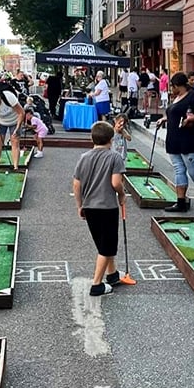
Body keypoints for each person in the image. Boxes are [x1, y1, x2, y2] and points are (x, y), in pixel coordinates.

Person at [72, 120, 127, 297]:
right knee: (106, 246)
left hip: (89, 207)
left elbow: (76, 185)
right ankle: (97, 285)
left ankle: (112, 275)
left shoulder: (84, 157)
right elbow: (116, 182)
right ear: (111, 139)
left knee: (103, 242)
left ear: (92, 138)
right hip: (107, 207)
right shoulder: (114, 157)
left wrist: (80, 205)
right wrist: (122, 194)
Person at [156, 72, 194, 213]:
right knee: (179, 170)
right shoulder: (176, 98)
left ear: (178, 85)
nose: (171, 88)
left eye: (172, 86)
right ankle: (181, 202)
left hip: (189, 140)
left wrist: (191, 119)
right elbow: (174, 113)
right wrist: (164, 119)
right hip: (174, 141)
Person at [0, 82, 25, 170]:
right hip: (0, 122)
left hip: (14, 121)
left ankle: (15, 167)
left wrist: (17, 128)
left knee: (15, 142)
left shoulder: (9, 97)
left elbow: (21, 113)